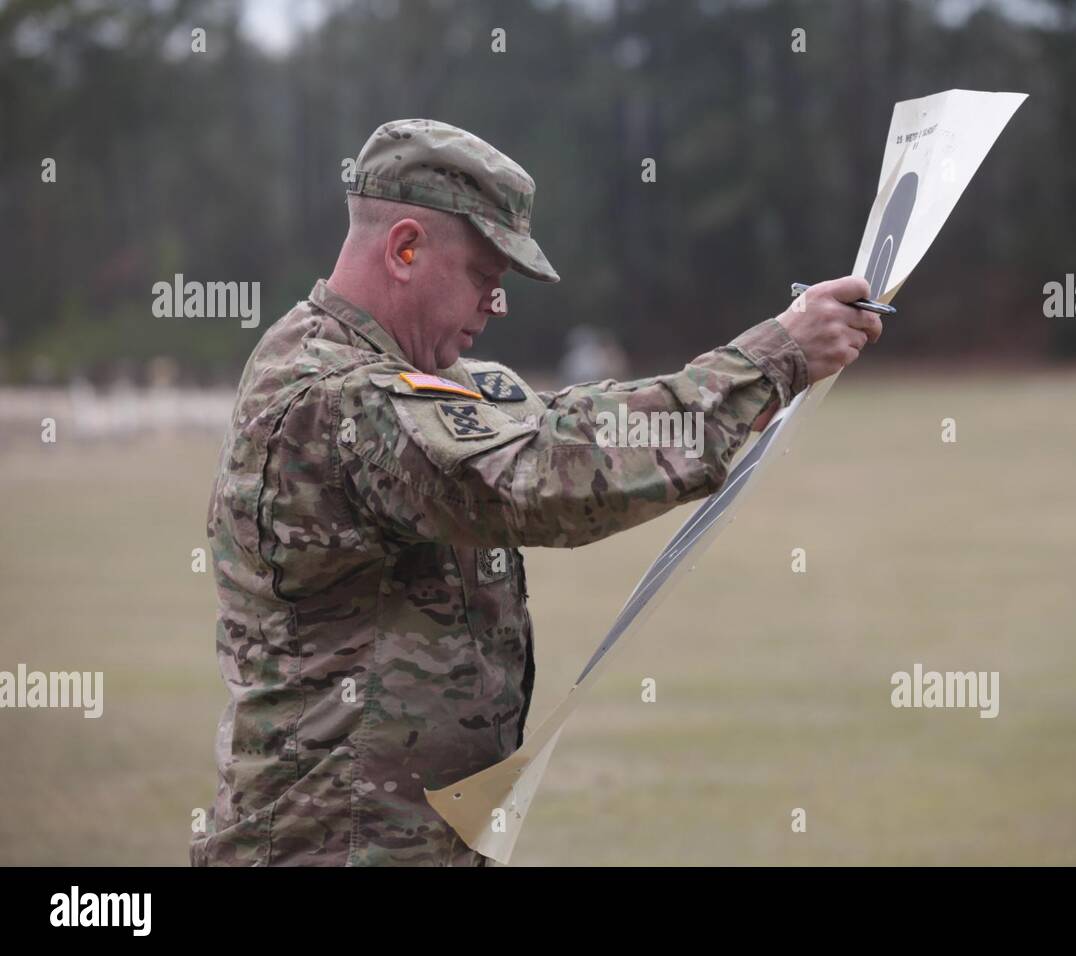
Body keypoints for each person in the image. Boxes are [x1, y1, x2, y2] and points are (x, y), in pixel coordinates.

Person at [191, 118, 882, 866]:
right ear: (406, 248)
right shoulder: (332, 395)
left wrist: (767, 368)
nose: (498, 304)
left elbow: (570, 421)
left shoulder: (416, 376)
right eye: (486, 277)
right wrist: (770, 359)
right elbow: (539, 475)